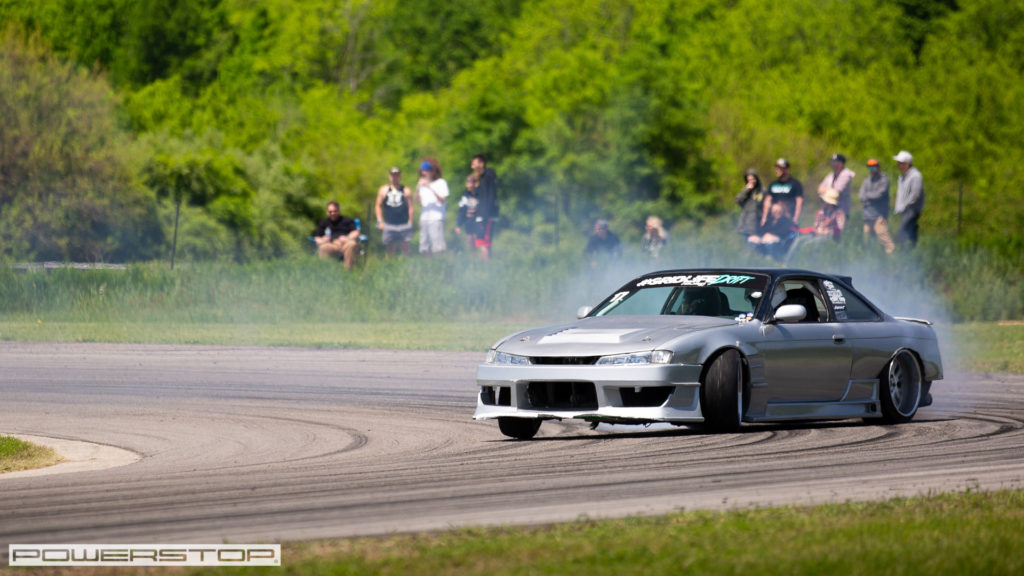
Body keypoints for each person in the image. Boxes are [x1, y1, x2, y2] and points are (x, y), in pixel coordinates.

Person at [375, 166, 414, 257]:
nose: (395, 177)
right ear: (390, 176)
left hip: (403, 223)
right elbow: (378, 206)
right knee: (390, 247)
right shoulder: (383, 190)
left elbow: (410, 207)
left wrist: (410, 221)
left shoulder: (406, 190)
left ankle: (407, 264)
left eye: (397, 175)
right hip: (389, 223)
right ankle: (390, 266)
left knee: (405, 246)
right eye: (393, 175)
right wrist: (379, 221)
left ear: (400, 176)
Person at [859, 158, 895, 254]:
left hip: (879, 216)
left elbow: (879, 195)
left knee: (885, 240)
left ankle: (893, 262)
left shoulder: (884, 179)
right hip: (867, 216)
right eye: (870, 168)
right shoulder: (866, 181)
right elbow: (861, 196)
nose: (872, 170)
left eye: (874, 167)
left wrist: (868, 196)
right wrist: (869, 197)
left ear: (878, 168)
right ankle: (872, 260)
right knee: (867, 241)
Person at [416, 157, 449, 256]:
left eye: (427, 171)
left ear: (432, 172)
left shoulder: (441, 182)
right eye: (423, 171)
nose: (424, 173)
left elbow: (442, 199)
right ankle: (429, 267)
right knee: (425, 245)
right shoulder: (421, 185)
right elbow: (417, 201)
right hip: (424, 218)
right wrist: (418, 188)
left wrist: (429, 187)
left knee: (437, 246)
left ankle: (439, 266)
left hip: (436, 218)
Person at [313, 201, 360, 269]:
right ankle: (326, 273)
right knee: (323, 248)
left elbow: (356, 232)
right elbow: (317, 237)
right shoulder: (324, 223)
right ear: (327, 212)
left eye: (335, 211)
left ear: (339, 211)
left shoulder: (347, 220)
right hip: (332, 244)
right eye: (330, 211)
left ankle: (348, 272)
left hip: (346, 243)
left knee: (352, 245)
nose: (333, 213)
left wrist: (348, 237)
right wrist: (322, 240)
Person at [470, 154, 499, 262]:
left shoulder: (489, 175)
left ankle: (485, 272)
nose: (472, 167)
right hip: (484, 215)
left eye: (474, 164)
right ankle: (487, 270)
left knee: (483, 243)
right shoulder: (483, 178)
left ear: (481, 164)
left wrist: (484, 216)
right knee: (483, 243)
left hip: (486, 216)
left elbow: (491, 197)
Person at [893, 150, 925, 248]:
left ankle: (906, 253)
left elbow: (915, 195)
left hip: (911, 210)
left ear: (907, 164)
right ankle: (908, 251)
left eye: (900, 163)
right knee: (907, 231)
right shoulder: (903, 177)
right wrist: (898, 208)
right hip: (904, 210)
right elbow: (901, 195)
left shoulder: (915, 176)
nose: (898, 165)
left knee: (903, 232)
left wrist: (903, 206)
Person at [762, 158, 804, 227]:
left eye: (780, 168)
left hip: (788, 217)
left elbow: (799, 202)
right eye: (776, 168)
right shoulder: (773, 184)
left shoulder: (795, 184)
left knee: (776, 207)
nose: (777, 170)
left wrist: (796, 218)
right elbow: (767, 201)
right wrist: (764, 218)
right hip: (773, 218)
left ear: (787, 170)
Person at [817, 153, 855, 220]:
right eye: (832, 161)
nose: (832, 164)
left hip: (841, 212)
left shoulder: (846, 175)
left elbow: (836, 192)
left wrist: (825, 190)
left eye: (834, 162)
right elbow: (819, 189)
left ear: (841, 163)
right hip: (828, 210)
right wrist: (827, 190)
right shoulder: (831, 175)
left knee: (837, 230)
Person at [455, 173, 481, 251]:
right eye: (467, 183)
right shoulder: (465, 195)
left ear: (475, 184)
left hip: (478, 221)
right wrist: (458, 225)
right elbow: (462, 210)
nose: (468, 185)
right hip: (468, 221)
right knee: (470, 242)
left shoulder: (480, 194)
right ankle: (472, 262)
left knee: (478, 242)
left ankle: (481, 261)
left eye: (470, 183)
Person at [735, 168, 764, 238]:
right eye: (749, 180)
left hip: (758, 222)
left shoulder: (762, 191)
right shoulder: (745, 191)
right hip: (746, 223)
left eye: (753, 179)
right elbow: (737, 200)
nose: (751, 182)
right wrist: (746, 189)